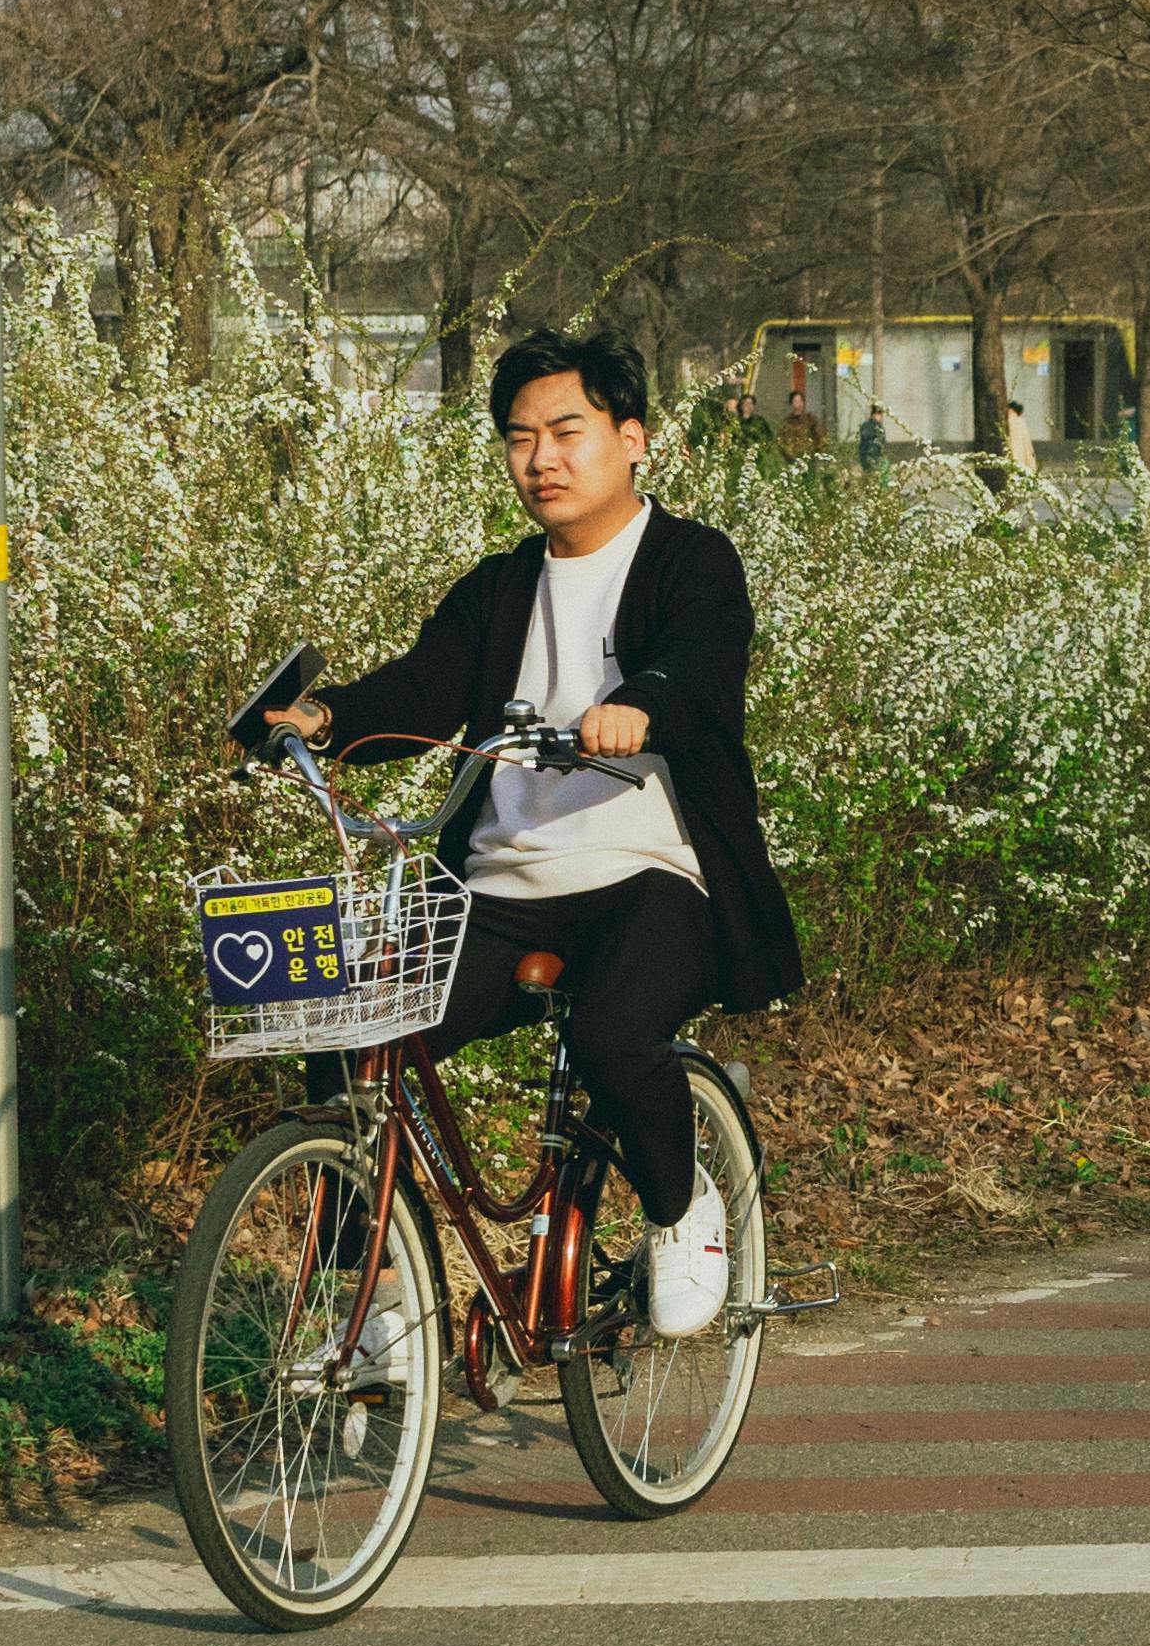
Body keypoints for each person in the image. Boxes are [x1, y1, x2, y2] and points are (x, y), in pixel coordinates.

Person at [268, 330, 804, 1337]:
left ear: (632, 438)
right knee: (352, 1038)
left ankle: (682, 1209)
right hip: (500, 888)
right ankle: (377, 1292)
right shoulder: (499, 587)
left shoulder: (688, 559)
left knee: (613, 1031)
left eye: (567, 431)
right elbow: (422, 688)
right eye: (520, 439)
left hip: (654, 878)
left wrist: (640, 702)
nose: (541, 459)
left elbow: (701, 660)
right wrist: (327, 718)